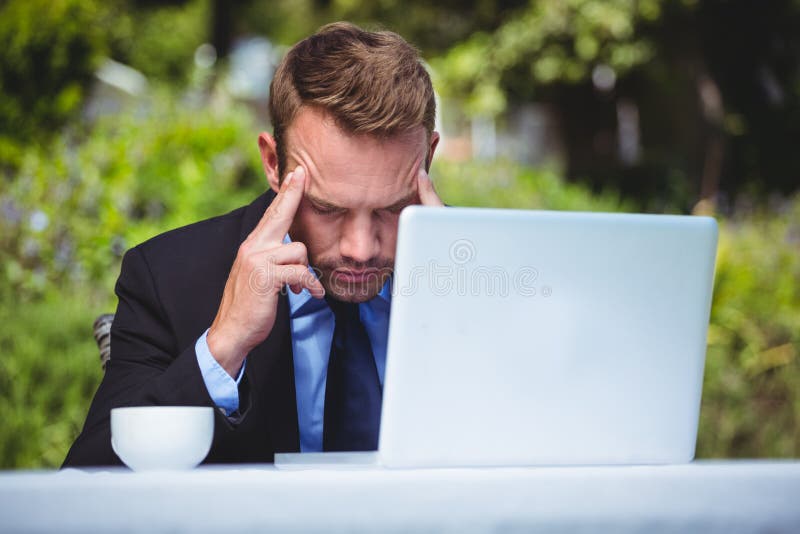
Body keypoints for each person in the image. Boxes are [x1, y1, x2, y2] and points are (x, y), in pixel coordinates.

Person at [63, 22, 445, 466]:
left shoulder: (488, 272)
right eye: (326, 209)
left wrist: (471, 334)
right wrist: (224, 347)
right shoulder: (167, 278)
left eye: (391, 208)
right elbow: (88, 482)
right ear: (272, 162)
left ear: (428, 158)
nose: (361, 249)